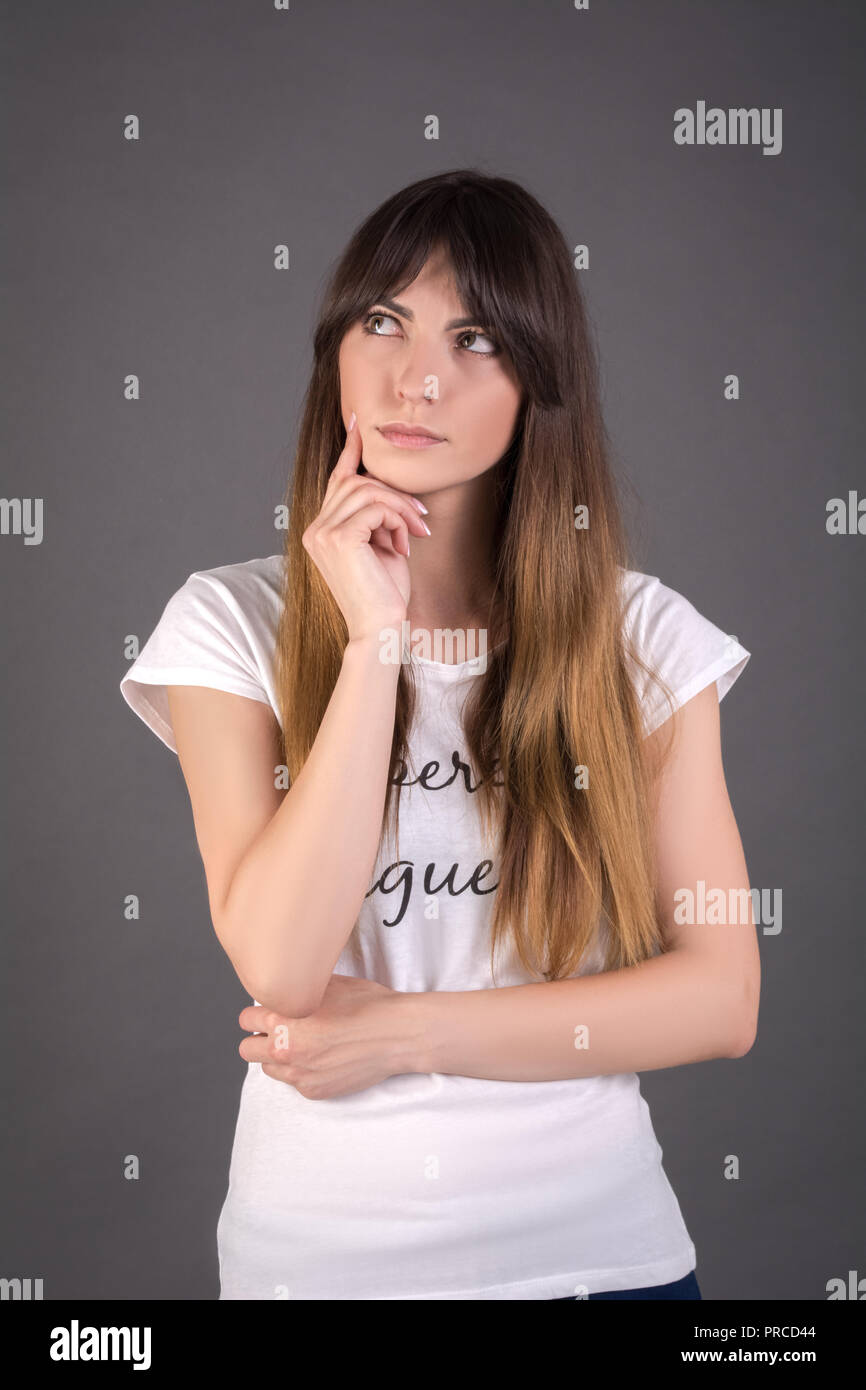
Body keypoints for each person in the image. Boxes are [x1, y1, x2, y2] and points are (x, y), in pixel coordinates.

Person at [119, 168, 758, 1300]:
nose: (416, 376)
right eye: (383, 322)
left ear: (534, 385)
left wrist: (409, 1031)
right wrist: (374, 641)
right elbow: (279, 958)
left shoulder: (641, 637)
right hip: (316, 1271)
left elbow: (719, 998)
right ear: (336, 351)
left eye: (475, 339)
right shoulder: (228, 623)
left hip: (598, 1265)